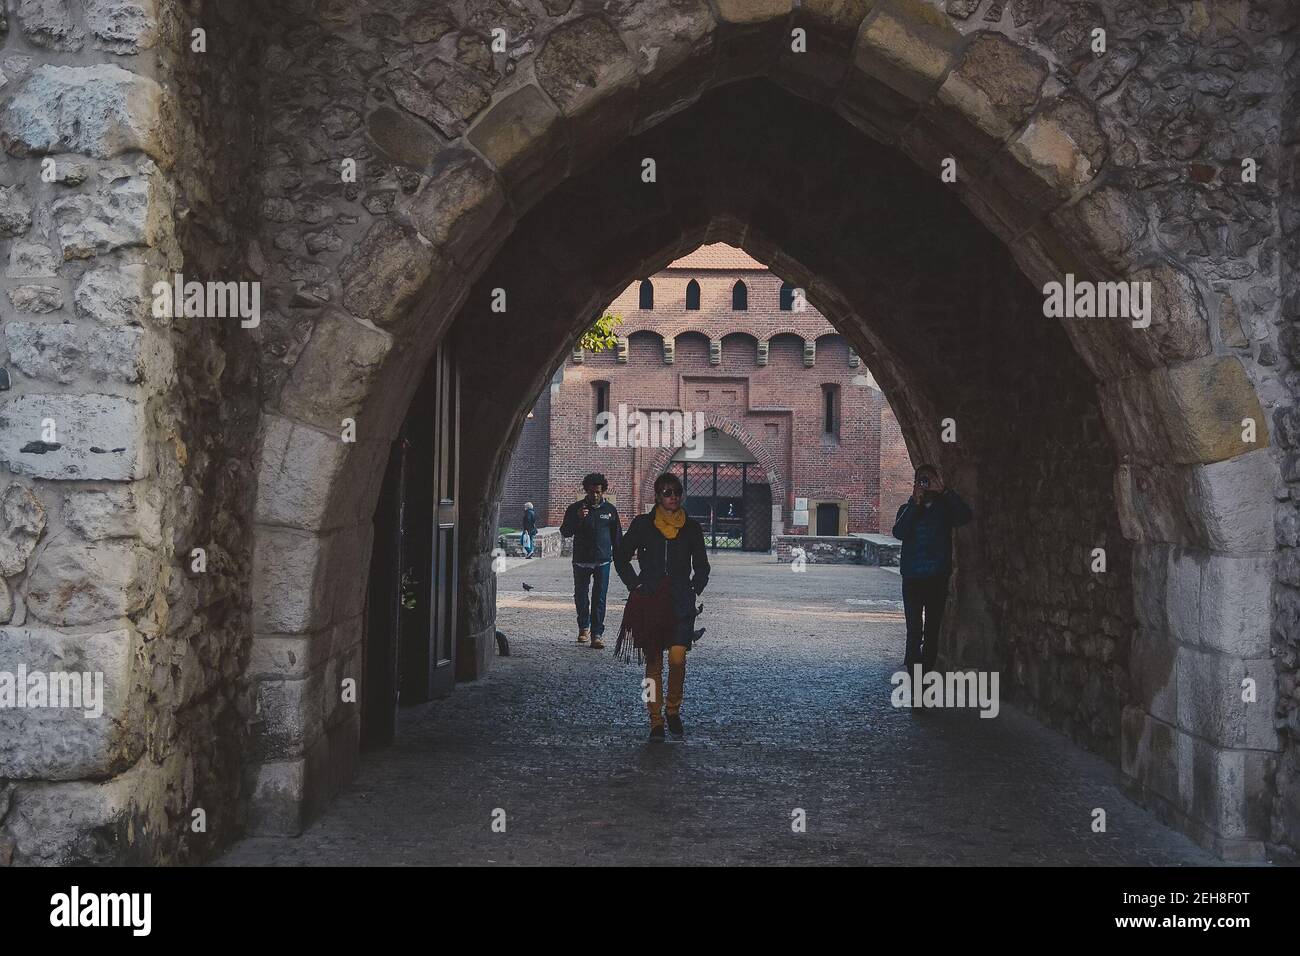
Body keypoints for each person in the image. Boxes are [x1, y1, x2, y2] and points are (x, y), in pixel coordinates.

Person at [614, 472, 710, 740]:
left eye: (677, 492)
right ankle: (654, 718)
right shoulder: (643, 525)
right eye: (667, 492)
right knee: (653, 664)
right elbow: (621, 557)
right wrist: (635, 584)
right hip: (651, 599)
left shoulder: (691, 528)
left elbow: (701, 564)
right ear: (657, 496)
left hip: (680, 600)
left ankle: (672, 708)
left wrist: (695, 585)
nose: (673, 497)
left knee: (678, 658)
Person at [891, 464, 973, 673]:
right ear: (916, 483)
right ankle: (914, 675)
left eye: (929, 480)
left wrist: (945, 492)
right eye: (922, 481)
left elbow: (964, 517)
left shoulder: (944, 509)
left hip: (937, 577)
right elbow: (899, 532)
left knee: (932, 630)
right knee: (914, 631)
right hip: (913, 579)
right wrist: (914, 502)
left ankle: (926, 673)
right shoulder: (908, 509)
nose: (926, 485)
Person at [560, 473, 622, 649]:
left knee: (599, 598)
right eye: (592, 492)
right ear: (586, 490)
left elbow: (616, 537)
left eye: (598, 492)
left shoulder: (610, 510)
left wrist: (621, 558)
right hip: (581, 560)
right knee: (581, 596)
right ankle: (583, 627)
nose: (595, 495)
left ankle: (597, 634)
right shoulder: (575, 509)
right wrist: (577, 518)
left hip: (603, 561)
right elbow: (565, 531)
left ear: (603, 491)